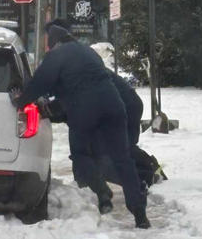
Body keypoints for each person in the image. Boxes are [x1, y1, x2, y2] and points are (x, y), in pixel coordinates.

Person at [12, 24, 151, 229]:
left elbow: (38, 84)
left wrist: (21, 101)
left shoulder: (57, 56)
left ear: (53, 43)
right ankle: (140, 215)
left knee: (80, 154)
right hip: (114, 105)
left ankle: (102, 191)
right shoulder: (88, 51)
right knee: (123, 160)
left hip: (84, 109)